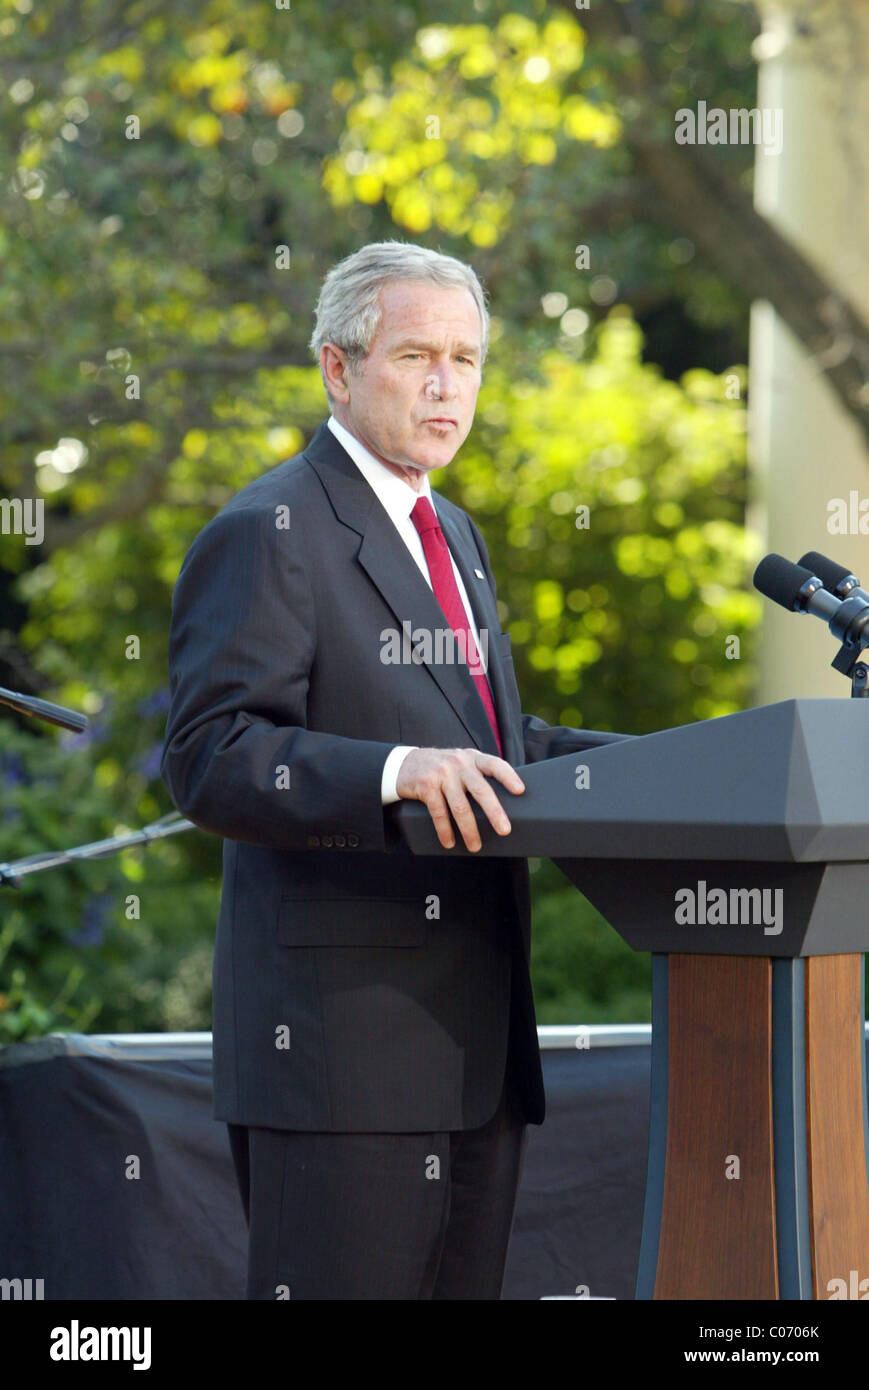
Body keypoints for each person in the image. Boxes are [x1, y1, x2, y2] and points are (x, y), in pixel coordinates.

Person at [161, 240, 627, 1299]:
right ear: (337, 366)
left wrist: (690, 767)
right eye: (416, 353)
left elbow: (493, 745)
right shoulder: (267, 529)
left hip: (474, 1059)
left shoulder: (449, 532)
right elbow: (210, 756)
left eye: (465, 359)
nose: (444, 385)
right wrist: (392, 770)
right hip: (339, 1066)